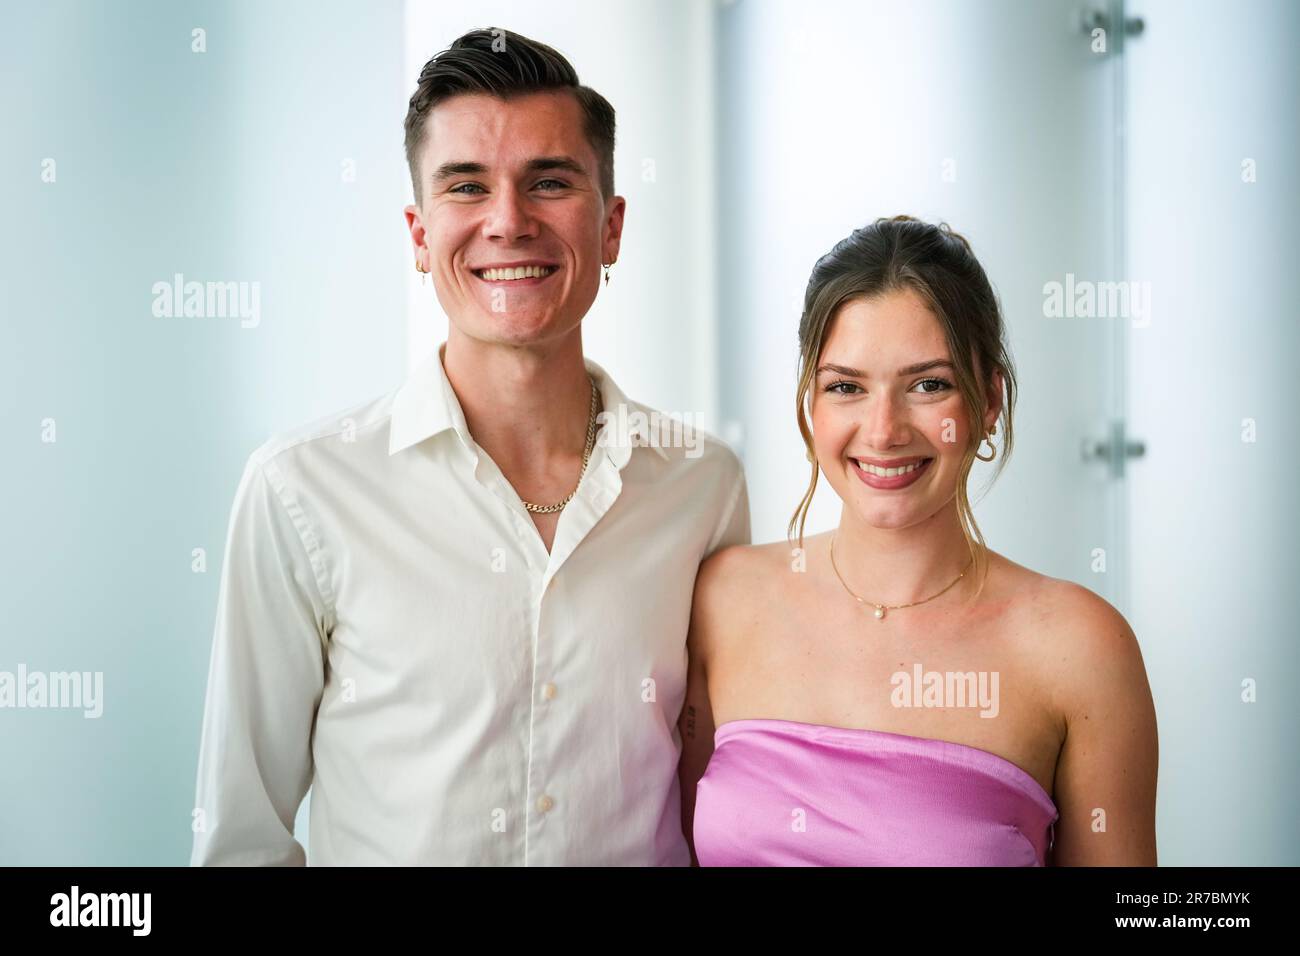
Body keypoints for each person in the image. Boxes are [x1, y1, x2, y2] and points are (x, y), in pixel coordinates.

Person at [190, 27, 749, 866]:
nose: (508, 221)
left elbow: (719, 796)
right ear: (419, 234)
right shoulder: (300, 491)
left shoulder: (702, 485)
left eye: (549, 181)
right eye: (466, 186)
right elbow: (240, 839)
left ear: (611, 227)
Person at [679, 216, 1158, 866]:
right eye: (846, 387)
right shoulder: (722, 598)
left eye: (928, 385)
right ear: (810, 405)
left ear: (989, 399)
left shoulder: (1079, 647)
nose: (883, 431)